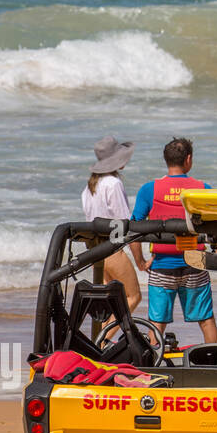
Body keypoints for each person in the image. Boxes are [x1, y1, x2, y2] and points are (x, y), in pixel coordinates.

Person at [130, 137, 217, 345]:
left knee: (156, 324)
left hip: (162, 265)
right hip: (195, 265)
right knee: (207, 321)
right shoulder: (202, 188)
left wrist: (140, 261)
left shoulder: (149, 189)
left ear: (166, 160)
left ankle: (151, 368)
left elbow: (133, 230)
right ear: (188, 160)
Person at [81, 137, 142, 337]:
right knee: (133, 297)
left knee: (112, 300)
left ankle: (99, 342)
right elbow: (123, 222)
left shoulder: (89, 187)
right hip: (112, 248)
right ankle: (103, 341)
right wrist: (138, 256)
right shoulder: (113, 184)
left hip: (94, 250)